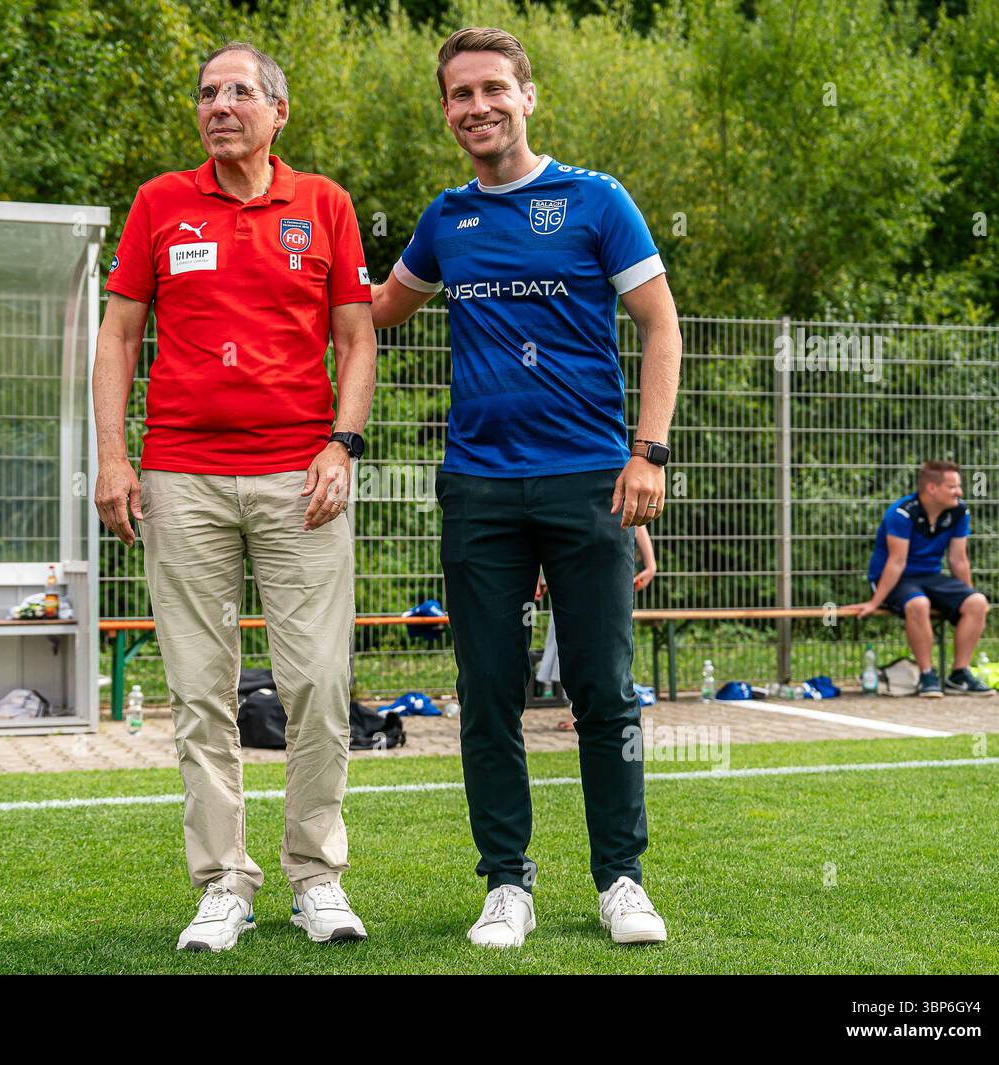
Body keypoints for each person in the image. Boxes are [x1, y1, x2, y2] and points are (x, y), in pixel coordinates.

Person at [369, 27, 681, 948]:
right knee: (489, 689)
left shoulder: (597, 200)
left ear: (527, 96)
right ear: (446, 110)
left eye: (493, 89)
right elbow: (374, 311)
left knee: (605, 691)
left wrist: (647, 455)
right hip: (478, 491)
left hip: (590, 483)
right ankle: (507, 882)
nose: (478, 107)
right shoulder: (444, 220)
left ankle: (621, 879)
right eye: (460, 95)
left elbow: (661, 327)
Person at [93, 41, 377, 953]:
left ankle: (316, 878)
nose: (221, 106)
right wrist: (113, 457)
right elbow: (120, 334)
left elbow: (358, 339)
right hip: (179, 475)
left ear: (277, 111)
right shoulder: (158, 204)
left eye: (239, 92)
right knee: (200, 691)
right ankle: (222, 883)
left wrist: (343, 442)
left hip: (304, 479)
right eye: (209, 93)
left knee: (320, 684)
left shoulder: (325, 204)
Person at [852, 460, 994, 697]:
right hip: (896, 577)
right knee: (919, 604)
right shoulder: (902, 513)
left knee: (977, 602)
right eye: (953, 487)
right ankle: (927, 675)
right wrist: (875, 602)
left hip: (931, 576)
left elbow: (958, 560)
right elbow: (897, 562)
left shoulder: (960, 511)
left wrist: (966, 599)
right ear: (932, 489)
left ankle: (959, 676)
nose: (959, 492)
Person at [541, 525, 655, 712]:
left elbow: (635, 518)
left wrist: (651, 565)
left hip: (597, 565)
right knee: (571, 641)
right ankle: (579, 707)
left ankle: (590, 708)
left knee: (598, 643)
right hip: (570, 569)